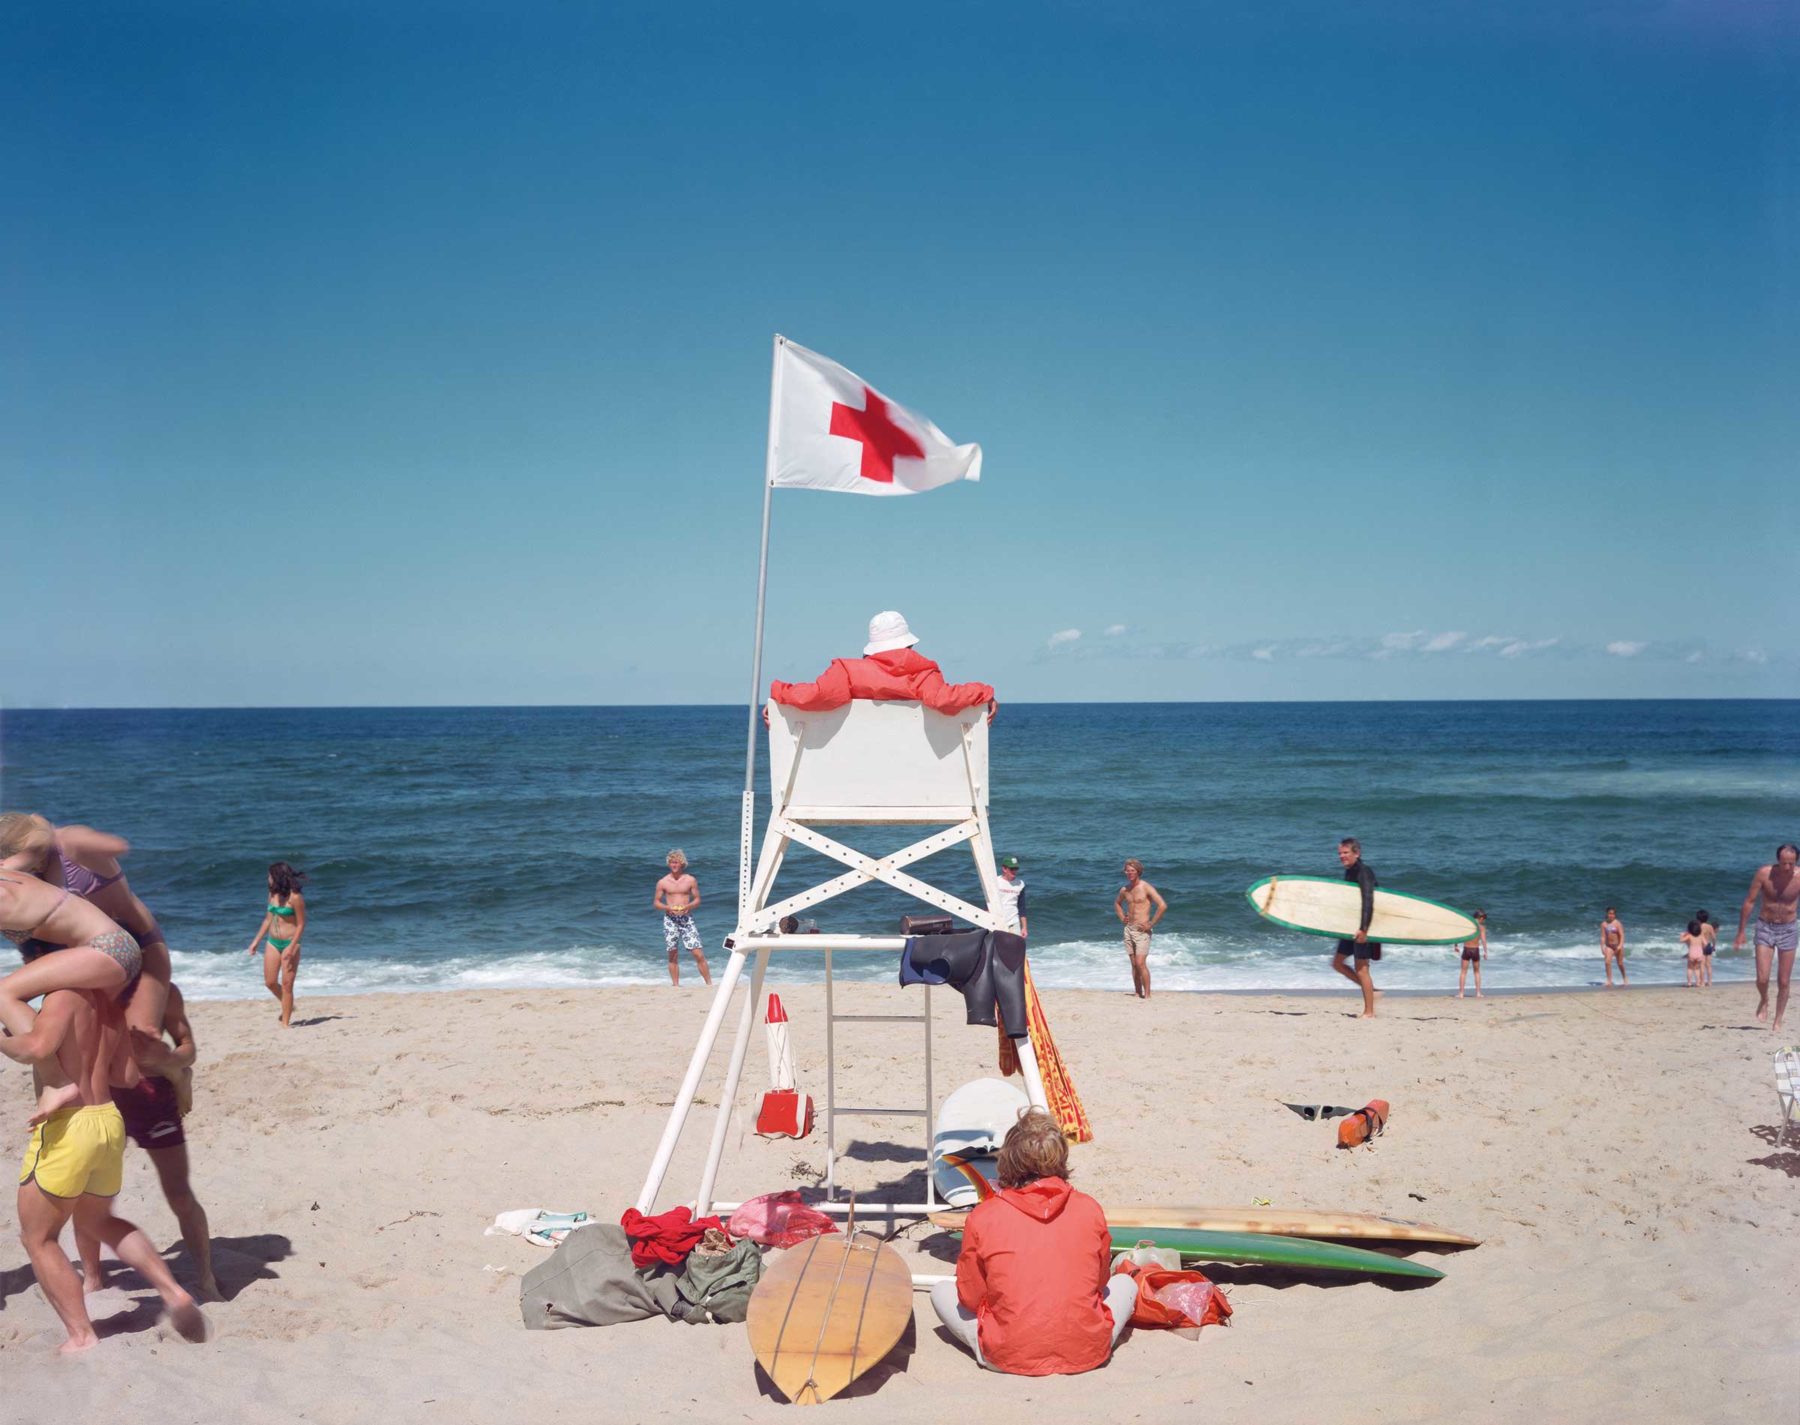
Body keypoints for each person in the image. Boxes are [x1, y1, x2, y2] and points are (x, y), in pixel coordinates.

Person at [0, 973, 208, 1351]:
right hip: (108, 1120)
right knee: (99, 1220)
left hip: (70, 1127)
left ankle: (81, 1336)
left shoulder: (62, 995)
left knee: (39, 1238)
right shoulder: (111, 1007)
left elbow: (35, 1048)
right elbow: (127, 1076)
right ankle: (172, 1291)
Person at [929, 1108, 1136, 1375]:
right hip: (1087, 1351)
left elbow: (971, 1298)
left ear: (1008, 1160)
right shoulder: (1089, 1208)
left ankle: (1004, 1344)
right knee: (1126, 1282)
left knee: (940, 1291)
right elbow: (1099, 1282)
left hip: (1008, 1355)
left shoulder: (985, 1216)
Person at [75, 979, 221, 1301]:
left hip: (152, 1097)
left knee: (180, 1195)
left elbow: (188, 1047)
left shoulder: (162, 990)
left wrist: (169, 1062)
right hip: (101, 1097)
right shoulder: (82, 986)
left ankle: (206, 1279)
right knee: (89, 1196)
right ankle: (93, 1278)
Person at [0, 813, 174, 1045]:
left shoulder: (70, 845)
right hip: (91, 957)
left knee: (143, 1038)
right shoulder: (31, 880)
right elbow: (33, 951)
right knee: (96, 1046)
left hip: (143, 946)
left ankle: (177, 1076)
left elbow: (115, 845)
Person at [767, 611, 997, 722]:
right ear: (908, 644)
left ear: (872, 647)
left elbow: (815, 696)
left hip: (849, 782)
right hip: (911, 780)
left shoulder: (846, 672)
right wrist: (985, 692)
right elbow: (943, 700)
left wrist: (779, 694)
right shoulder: (923, 675)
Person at [0, 869, 143, 1039]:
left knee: (4, 994)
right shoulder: (10, 873)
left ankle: (46, 1059)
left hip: (105, 949)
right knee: (26, 1022)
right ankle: (45, 1056)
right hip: (113, 947)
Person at [1734, 843, 1800, 1032]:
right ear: (1778, 860)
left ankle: (1778, 1019)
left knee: (1784, 981)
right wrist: (1741, 932)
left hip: (1788, 929)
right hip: (1765, 927)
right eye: (1783, 862)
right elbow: (1749, 902)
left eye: (1791, 863)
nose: (1787, 867)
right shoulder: (1764, 873)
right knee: (1762, 979)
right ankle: (1764, 999)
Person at [245, 862, 307, 1028]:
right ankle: (288, 1005)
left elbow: (301, 924)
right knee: (270, 982)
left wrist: (292, 947)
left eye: (270, 875)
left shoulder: (295, 897)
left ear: (278, 877)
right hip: (273, 942)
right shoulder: (272, 895)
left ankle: (285, 1024)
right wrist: (255, 942)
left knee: (287, 985)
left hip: (290, 942)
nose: (268, 878)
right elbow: (268, 919)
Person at [1331, 838, 1381, 1019]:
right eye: (1340, 853)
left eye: (1345, 853)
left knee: (1362, 969)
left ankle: (1369, 1012)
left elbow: (1369, 900)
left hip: (1364, 928)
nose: (1342, 856)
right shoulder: (1350, 872)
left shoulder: (1363, 872)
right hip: (1351, 927)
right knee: (1337, 963)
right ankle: (1372, 992)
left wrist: (1364, 930)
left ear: (1357, 853)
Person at [652, 849, 711, 987]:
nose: (674, 865)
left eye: (676, 862)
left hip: (686, 919)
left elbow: (697, 900)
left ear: (682, 864)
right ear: (669, 864)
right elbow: (656, 902)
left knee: (698, 953)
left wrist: (688, 906)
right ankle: (676, 985)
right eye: (672, 862)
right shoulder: (663, 882)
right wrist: (668, 908)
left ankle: (709, 984)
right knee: (673, 954)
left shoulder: (690, 880)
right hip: (670, 920)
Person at [1113, 859, 1164, 1000]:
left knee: (1141, 963)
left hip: (1142, 931)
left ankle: (1147, 995)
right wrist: (1122, 916)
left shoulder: (1145, 887)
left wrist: (1151, 924)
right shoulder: (1125, 889)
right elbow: (1117, 903)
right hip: (1129, 929)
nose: (1129, 873)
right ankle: (1137, 992)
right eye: (1127, 870)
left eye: (1132, 870)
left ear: (1138, 871)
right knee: (1134, 964)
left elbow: (1162, 905)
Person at [995, 855, 1028, 938]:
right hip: (997, 921)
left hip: (1014, 922)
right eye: (1012, 869)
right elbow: (988, 903)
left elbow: (1022, 907)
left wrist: (1024, 928)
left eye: (1016, 869)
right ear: (1004, 869)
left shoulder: (1020, 884)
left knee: (1015, 949)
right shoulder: (995, 882)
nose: (1014, 871)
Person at [1456, 910, 1487, 999]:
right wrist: (1485, 952)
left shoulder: (1467, 926)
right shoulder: (1481, 927)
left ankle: (1461, 994)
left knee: (1463, 972)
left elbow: (1459, 936)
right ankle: (1478, 993)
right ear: (1480, 918)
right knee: (1476, 972)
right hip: (1475, 950)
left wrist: (1456, 945)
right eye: (1483, 919)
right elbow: (1483, 940)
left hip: (1467, 949)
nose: (1484, 921)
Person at [1600, 907, 1628, 987]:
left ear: (1615, 915)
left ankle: (1625, 978)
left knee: (1620, 963)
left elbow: (1622, 935)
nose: (1611, 915)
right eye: (1609, 913)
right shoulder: (1604, 924)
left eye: (1613, 914)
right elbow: (1603, 937)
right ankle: (1609, 980)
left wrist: (1620, 945)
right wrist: (1602, 947)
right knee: (1607, 962)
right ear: (1607, 914)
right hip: (1609, 946)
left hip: (1618, 946)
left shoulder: (1617, 923)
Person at [1680, 920, 1706, 989]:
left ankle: (1689, 983)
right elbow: (1706, 944)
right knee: (1697, 969)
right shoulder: (1701, 936)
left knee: (1690, 969)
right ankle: (1697, 983)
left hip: (1691, 954)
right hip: (1699, 954)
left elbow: (1681, 940)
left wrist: (1682, 935)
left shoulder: (1690, 936)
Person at [1696, 910, 1717, 987]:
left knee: (1701, 965)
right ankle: (1710, 982)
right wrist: (1714, 946)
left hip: (1701, 947)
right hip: (1708, 946)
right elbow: (1714, 938)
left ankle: (1702, 982)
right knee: (1708, 965)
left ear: (1698, 918)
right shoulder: (1710, 926)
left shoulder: (1698, 926)